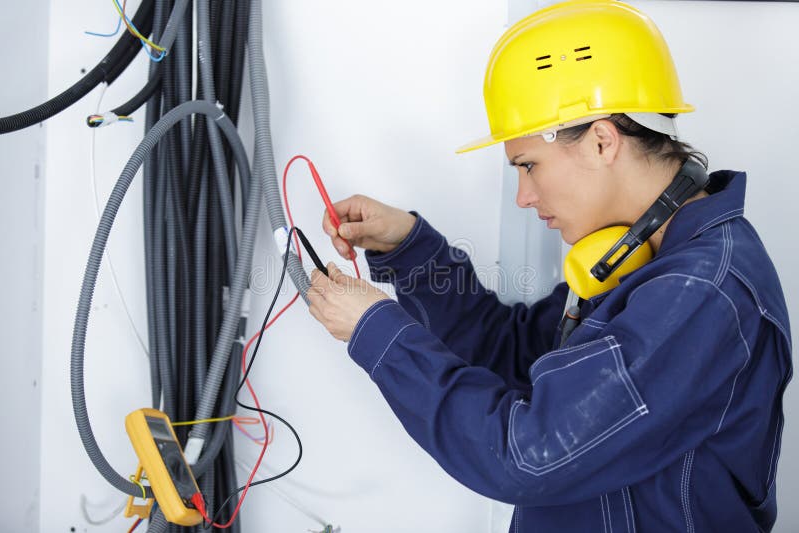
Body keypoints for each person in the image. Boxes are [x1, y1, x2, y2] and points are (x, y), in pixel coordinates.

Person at [305, 1, 792, 531]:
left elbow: (529, 456)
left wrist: (377, 332)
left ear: (603, 141)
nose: (523, 196)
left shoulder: (698, 296)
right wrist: (410, 249)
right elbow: (509, 353)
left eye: (529, 165)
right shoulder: (638, 262)